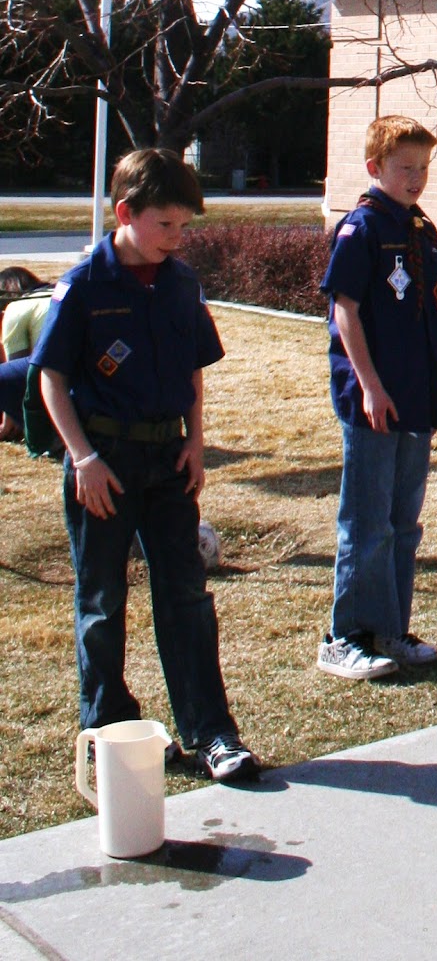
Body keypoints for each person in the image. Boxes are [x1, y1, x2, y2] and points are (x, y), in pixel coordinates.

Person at [30, 148, 258, 781]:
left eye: (184, 227)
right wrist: (85, 459)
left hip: (167, 462)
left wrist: (195, 440)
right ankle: (111, 728)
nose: (175, 238)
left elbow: (192, 367)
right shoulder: (83, 285)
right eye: (165, 225)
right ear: (125, 213)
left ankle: (211, 731)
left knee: (185, 594)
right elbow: (51, 378)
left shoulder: (181, 282)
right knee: (102, 601)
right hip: (103, 463)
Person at [315, 115, 437, 680]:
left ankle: (390, 628)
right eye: (404, 168)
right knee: (366, 520)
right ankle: (344, 636)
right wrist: (369, 385)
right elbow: (344, 310)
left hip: (414, 394)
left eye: (422, 168)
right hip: (375, 396)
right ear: (375, 169)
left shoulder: (419, 229)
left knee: (403, 522)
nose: (416, 178)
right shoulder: (362, 229)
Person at [1, 266, 52, 442]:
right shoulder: (60, 293)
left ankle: (42, 438)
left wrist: (8, 425)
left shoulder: (16, 307)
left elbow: (12, 372)